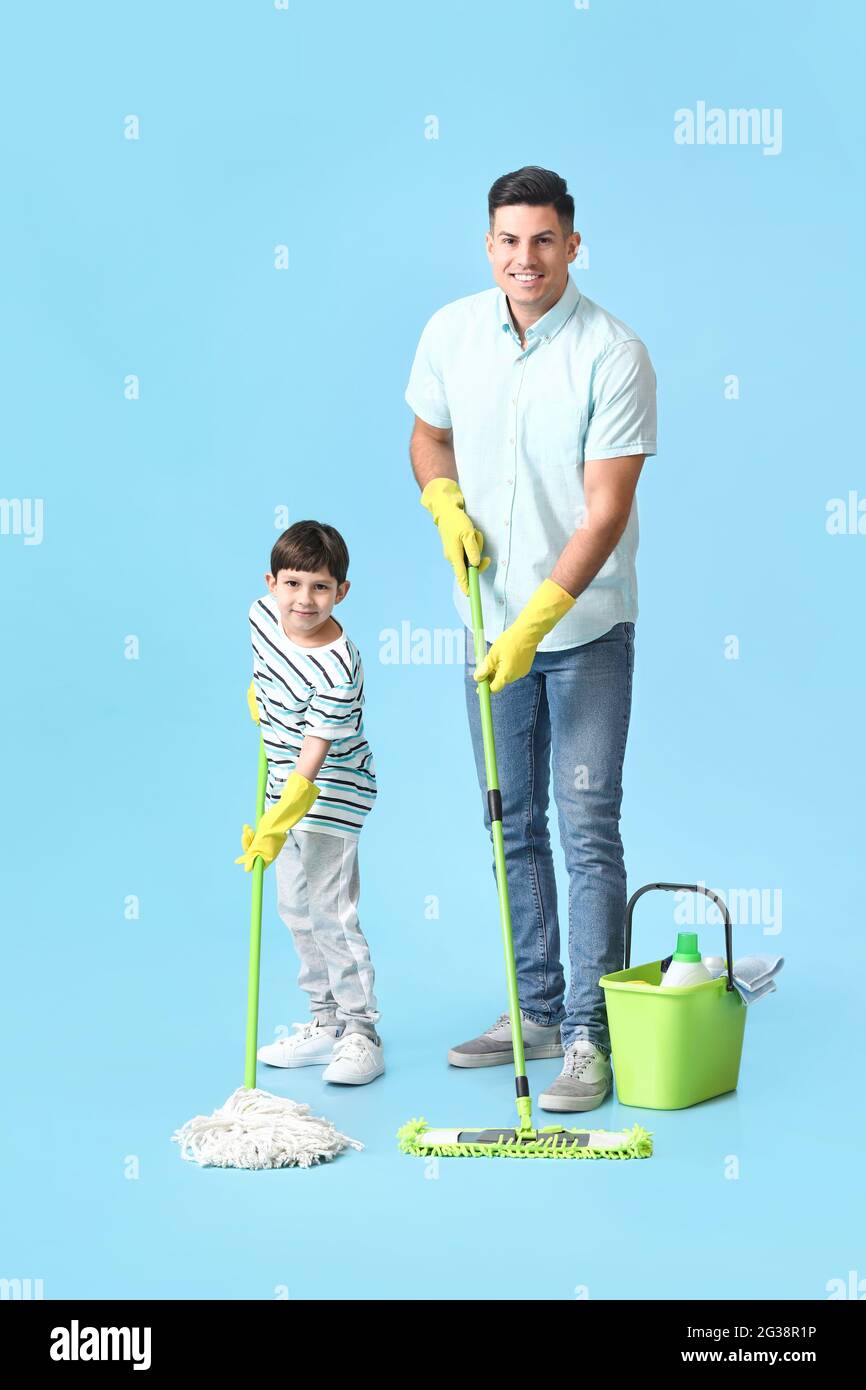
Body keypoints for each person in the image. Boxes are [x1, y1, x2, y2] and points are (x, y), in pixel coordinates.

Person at [405, 165, 657, 1111]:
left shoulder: (613, 354)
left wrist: (537, 622)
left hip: (585, 631)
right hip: (484, 628)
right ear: (488, 245)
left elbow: (604, 514)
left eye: (544, 240)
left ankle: (590, 1036)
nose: (526, 259)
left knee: (587, 826)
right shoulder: (451, 332)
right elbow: (429, 436)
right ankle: (537, 1008)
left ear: (573, 245)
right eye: (509, 241)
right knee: (512, 825)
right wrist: (442, 500)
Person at [235, 520, 383, 1085]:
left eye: (320, 587)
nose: (304, 599)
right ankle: (323, 1023)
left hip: (330, 794)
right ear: (272, 583)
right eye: (293, 584)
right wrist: (262, 697)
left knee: (331, 915)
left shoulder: (339, 666)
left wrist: (277, 822)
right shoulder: (260, 617)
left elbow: (313, 762)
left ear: (341, 592)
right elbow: (264, 668)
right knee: (295, 913)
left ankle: (360, 1032)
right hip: (281, 787)